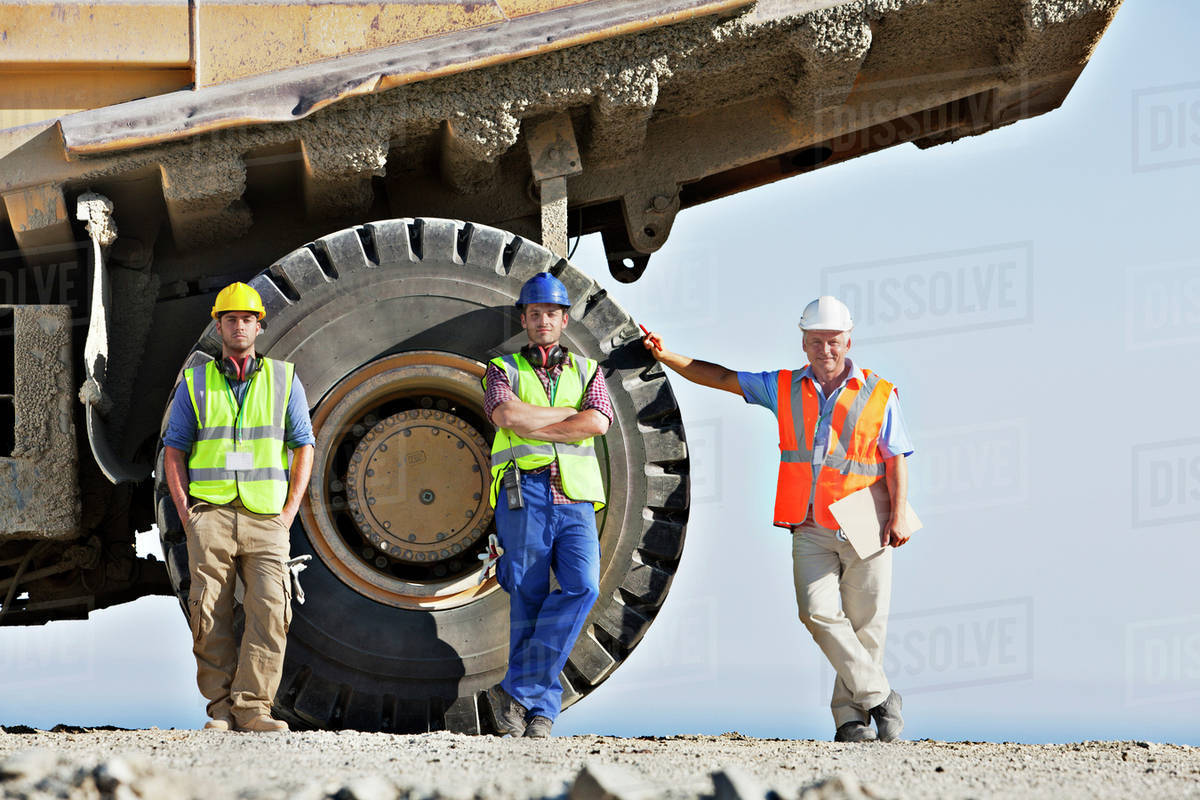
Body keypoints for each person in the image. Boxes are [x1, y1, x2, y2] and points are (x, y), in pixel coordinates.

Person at [641, 295, 913, 743]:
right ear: (803, 343)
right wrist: (666, 356)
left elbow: (896, 458)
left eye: (833, 340)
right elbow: (723, 377)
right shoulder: (783, 387)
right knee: (816, 613)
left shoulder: (879, 393)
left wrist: (899, 514)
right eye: (816, 341)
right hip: (809, 523)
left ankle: (849, 721)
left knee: (867, 627)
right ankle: (881, 696)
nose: (825, 349)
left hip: (867, 518)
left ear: (848, 342)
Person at [162, 282, 315, 733]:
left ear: (259, 326)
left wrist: (288, 513)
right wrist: (188, 514)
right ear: (218, 326)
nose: (240, 326)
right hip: (210, 515)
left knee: (271, 610)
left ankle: (254, 709)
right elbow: (174, 451)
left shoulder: (284, 380)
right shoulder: (196, 383)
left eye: (248, 319)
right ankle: (221, 710)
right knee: (209, 613)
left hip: (266, 518)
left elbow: (304, 446)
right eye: (231, 319)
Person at [482, 272, 613, 738]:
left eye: (551, 314)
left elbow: (597, 422)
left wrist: (534, 422)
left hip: (574, 498)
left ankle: (516, 691)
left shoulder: (588, 370)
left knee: (583, 588)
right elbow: (506, 414)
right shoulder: (502, 369)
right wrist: (566, 417)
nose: (543, 321)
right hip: (525, 494)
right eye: (535, 313)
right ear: (524, 319)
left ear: (564, 320)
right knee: (528, 598)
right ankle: (538, 713)